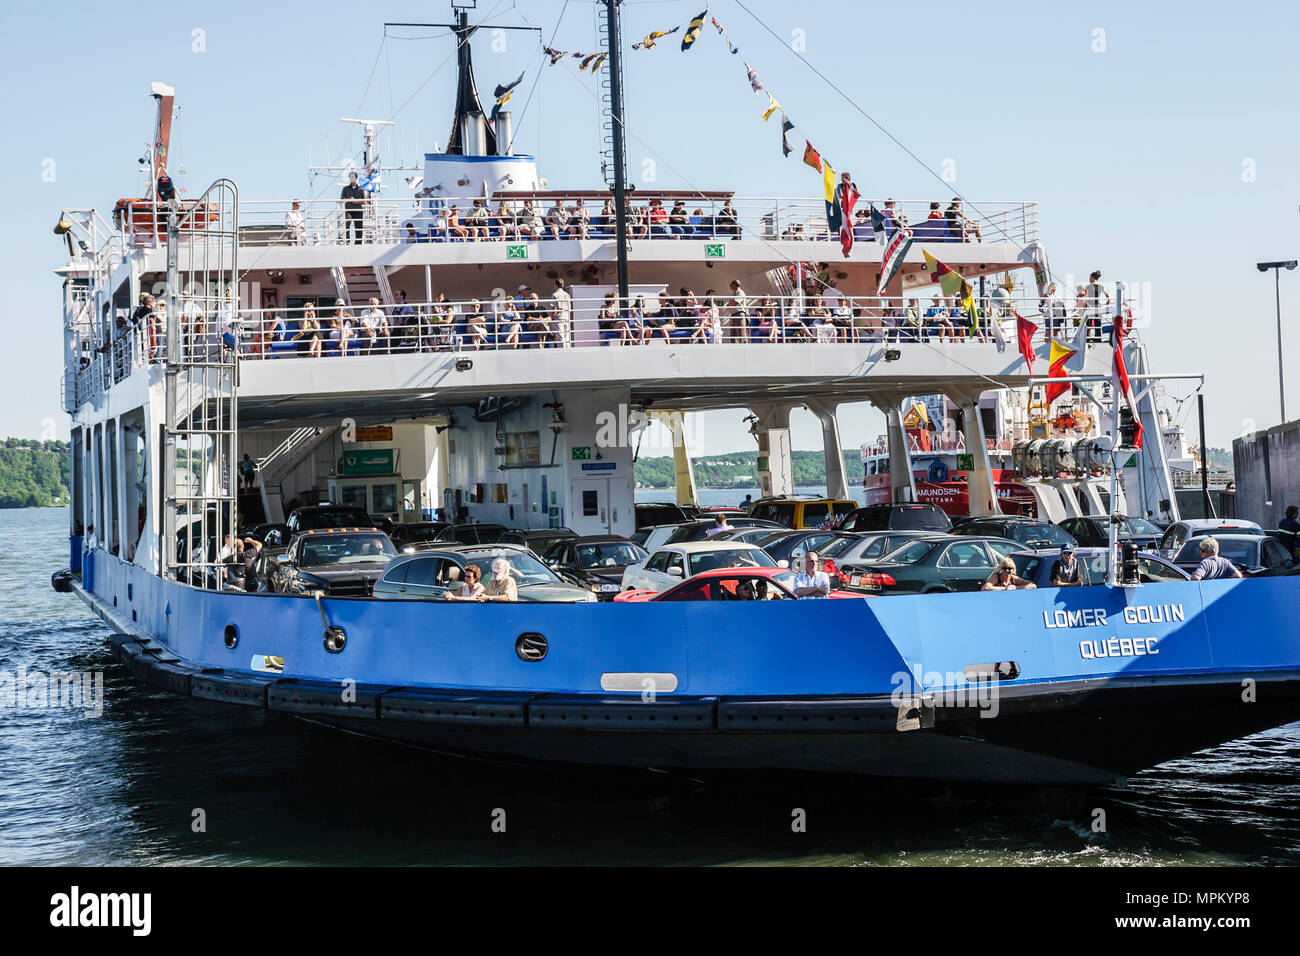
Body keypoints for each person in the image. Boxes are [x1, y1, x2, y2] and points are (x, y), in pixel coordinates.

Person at [341, 172, 366, 244]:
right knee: (346, 223)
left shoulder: (361, 189)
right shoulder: (345, 189)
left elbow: (364, 202)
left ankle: (358, 243)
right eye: (350, 177)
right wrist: (348, 200)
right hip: (348, 210)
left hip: (358, 210)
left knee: (358, 227)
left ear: (356, 178)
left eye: (353, 177)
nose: (351, 178)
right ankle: (347, 241)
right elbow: (342, 200)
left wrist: (355, 201)